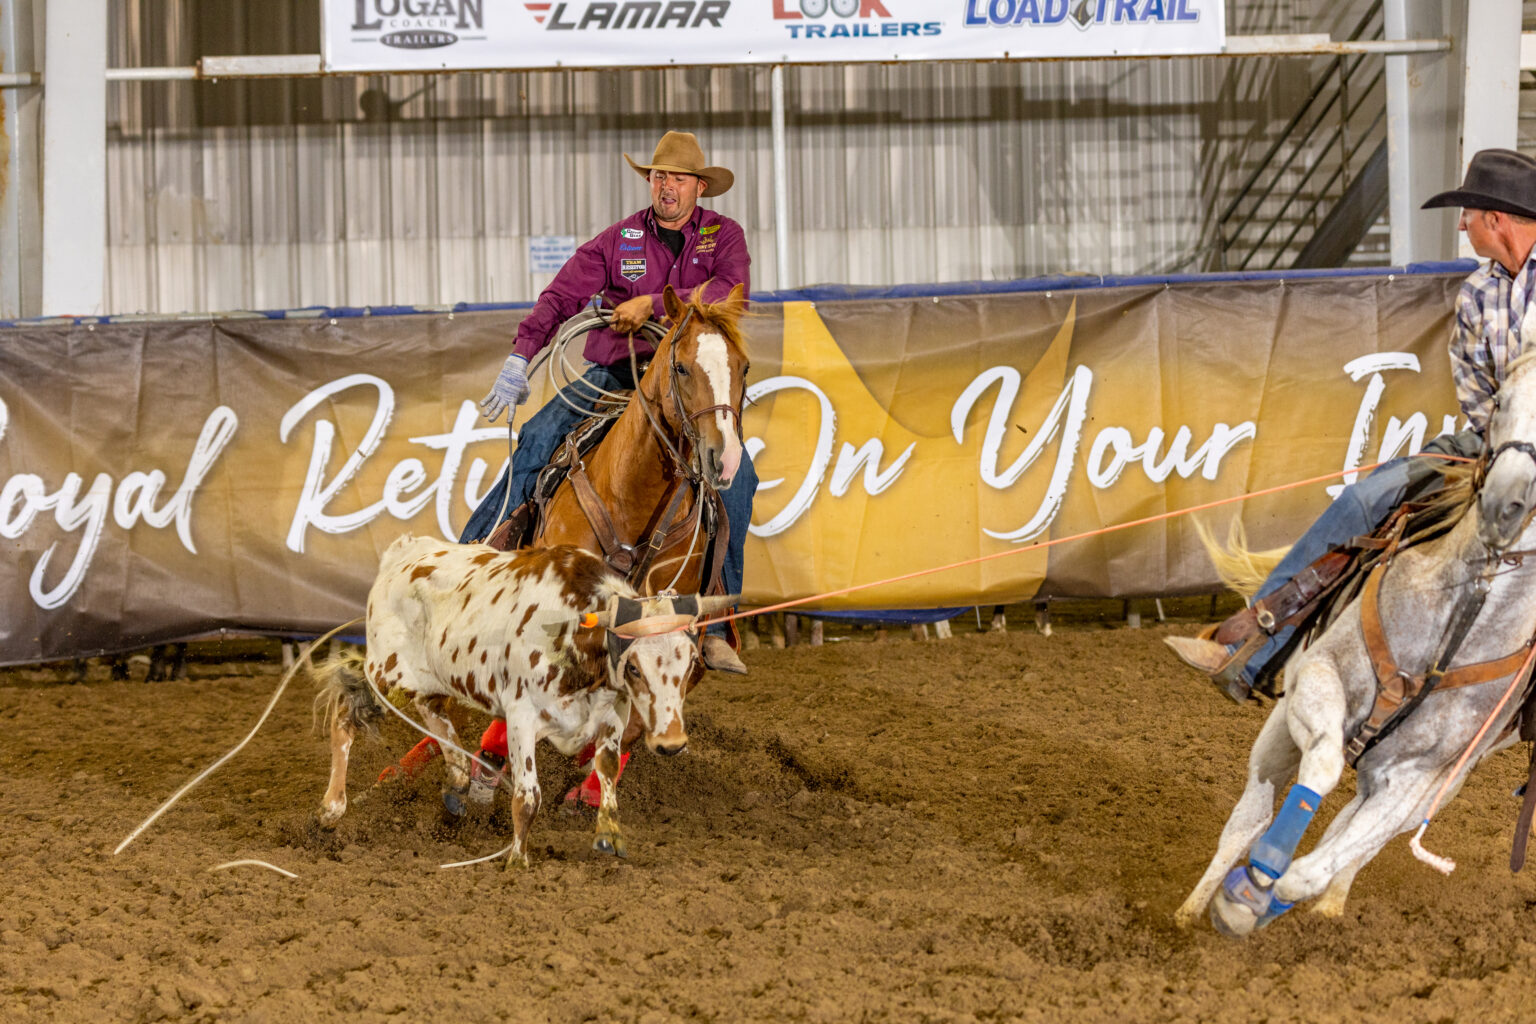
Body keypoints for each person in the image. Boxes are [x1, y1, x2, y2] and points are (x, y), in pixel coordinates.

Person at [1167, 147, 1536, 700]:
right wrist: (1505, 451)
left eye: (1467, 214)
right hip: (1493, 446)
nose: (1461, 226)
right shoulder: (1477, 295)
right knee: (1368, 500)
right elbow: (1475, 390)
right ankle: (1252, 643)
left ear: (1497, 219)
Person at [464, 129, 755, 676]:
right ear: (651, 181)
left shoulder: (724, 236)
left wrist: (653, 304)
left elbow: (730, 289)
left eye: (679, 178)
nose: (667, 187)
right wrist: (521, 356)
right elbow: (561, 296)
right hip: (619, 373)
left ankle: (716, 622)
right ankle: (479, 560)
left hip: (693, 384)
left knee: (739, 478)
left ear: (699, 187)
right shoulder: (619, 240)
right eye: (659, 176)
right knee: (539, 436)